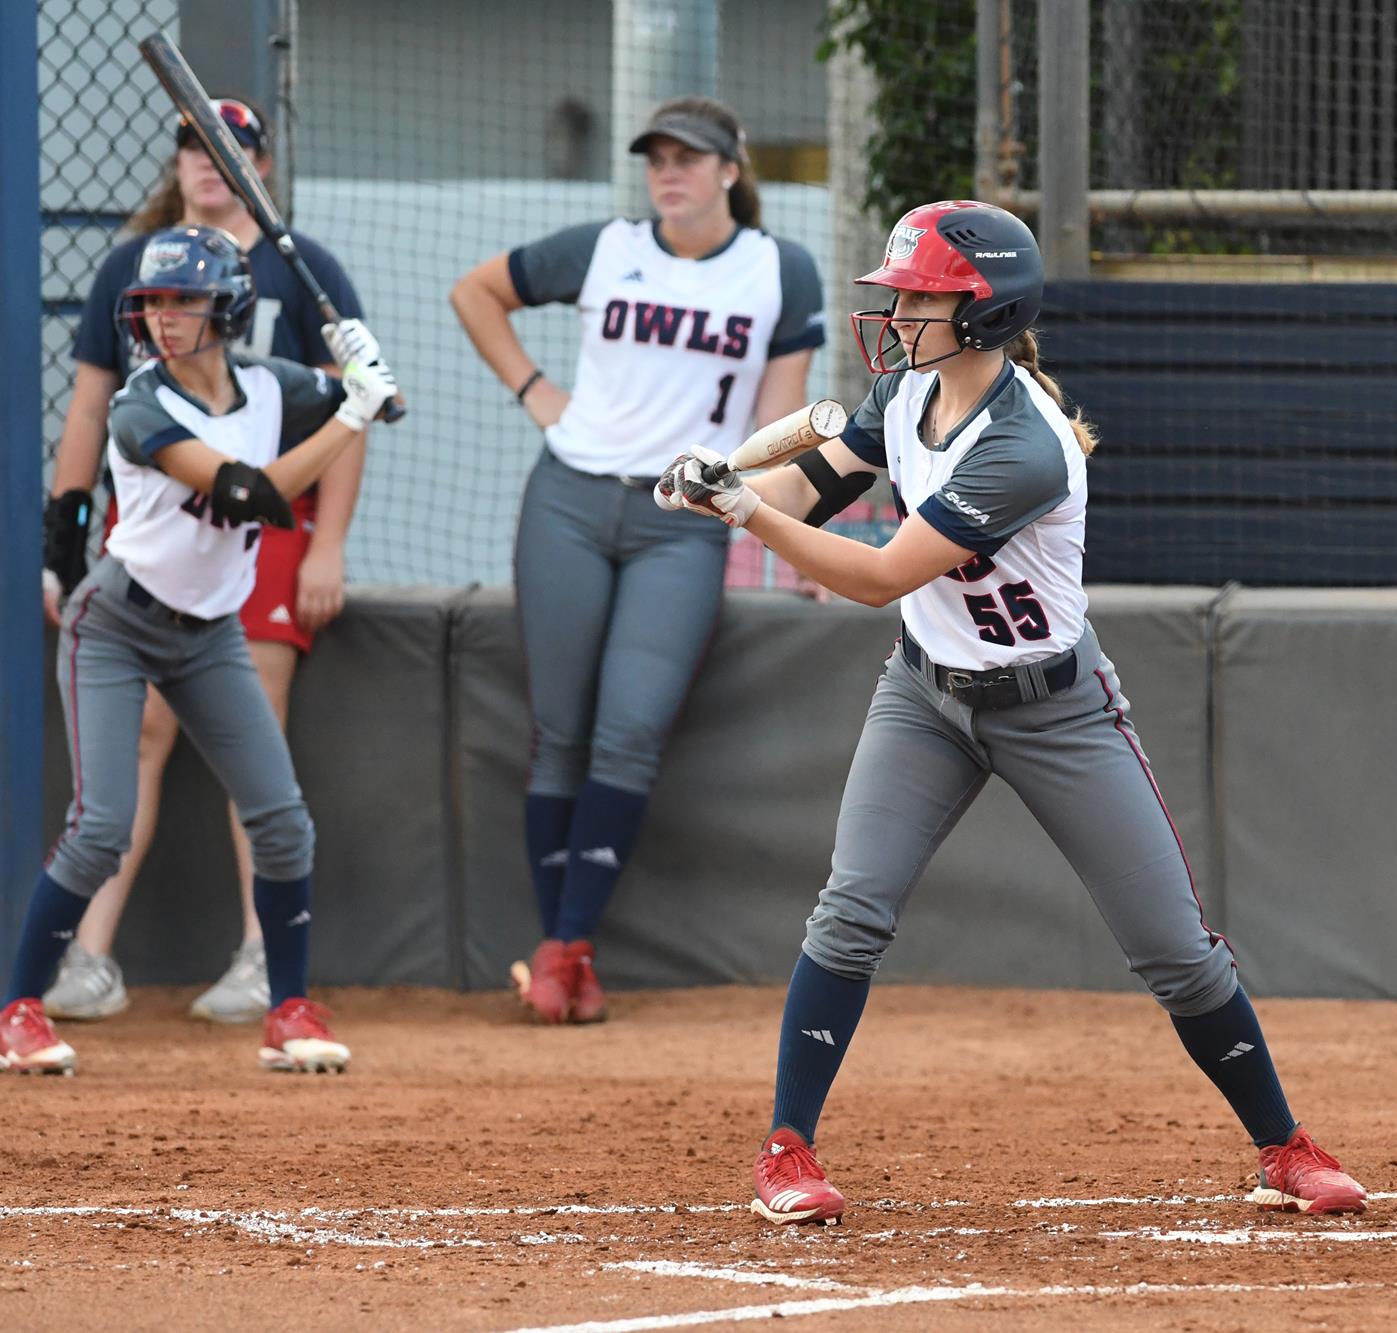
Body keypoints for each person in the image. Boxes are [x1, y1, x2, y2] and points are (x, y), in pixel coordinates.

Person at [659, 200, 1369, 1225]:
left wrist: (742, 509)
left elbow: (876, 577)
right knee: (851, 910)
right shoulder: (906, 391)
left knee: (1174, 949)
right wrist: (724, 482)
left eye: (921, 298)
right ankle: (786, 1149)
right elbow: (811, 488)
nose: (898, 314)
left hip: (1056, 710)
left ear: (984, 312)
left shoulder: (1022, 446)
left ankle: (1284, 1147)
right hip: (926, 695)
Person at [449, 96, 825, 1024]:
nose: (669, 173)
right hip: (569, 500)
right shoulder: (606, 247)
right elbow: (475, 292)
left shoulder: (779, 268)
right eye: (657, 158)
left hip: (683, 517)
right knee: (559, 731)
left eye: (688, 158)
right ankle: (562, 956)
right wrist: (538, 394)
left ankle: (567, 945)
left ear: (731, 169)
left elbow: (781, 425)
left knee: (629, 729)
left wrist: (801, 538)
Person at [1, 226, 395, 1075]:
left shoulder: (271, 385)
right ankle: (18, 1009)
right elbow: (250, 494)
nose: (165, 316)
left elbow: (367, 402)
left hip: (210, 633)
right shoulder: (140, 404)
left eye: (185, 300)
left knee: (283, 822)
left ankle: (287, 1010)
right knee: (100, 828)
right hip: (116, 624)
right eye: (153, 302)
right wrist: (353, 411)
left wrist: (362, 373)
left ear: (227, 309)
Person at [40, 95, 369, 1024]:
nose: (206, 159)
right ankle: (90, 955)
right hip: (159, 520)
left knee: (253, 722)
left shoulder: (303, 268)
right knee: (142, 730)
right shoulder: (131, 268)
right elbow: (90, 408)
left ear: (257, 165)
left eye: (228, 146)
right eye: (192, 142)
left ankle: (262, 955)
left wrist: (330, 543)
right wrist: (64, 539)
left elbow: (350, 412)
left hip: (270, 523)